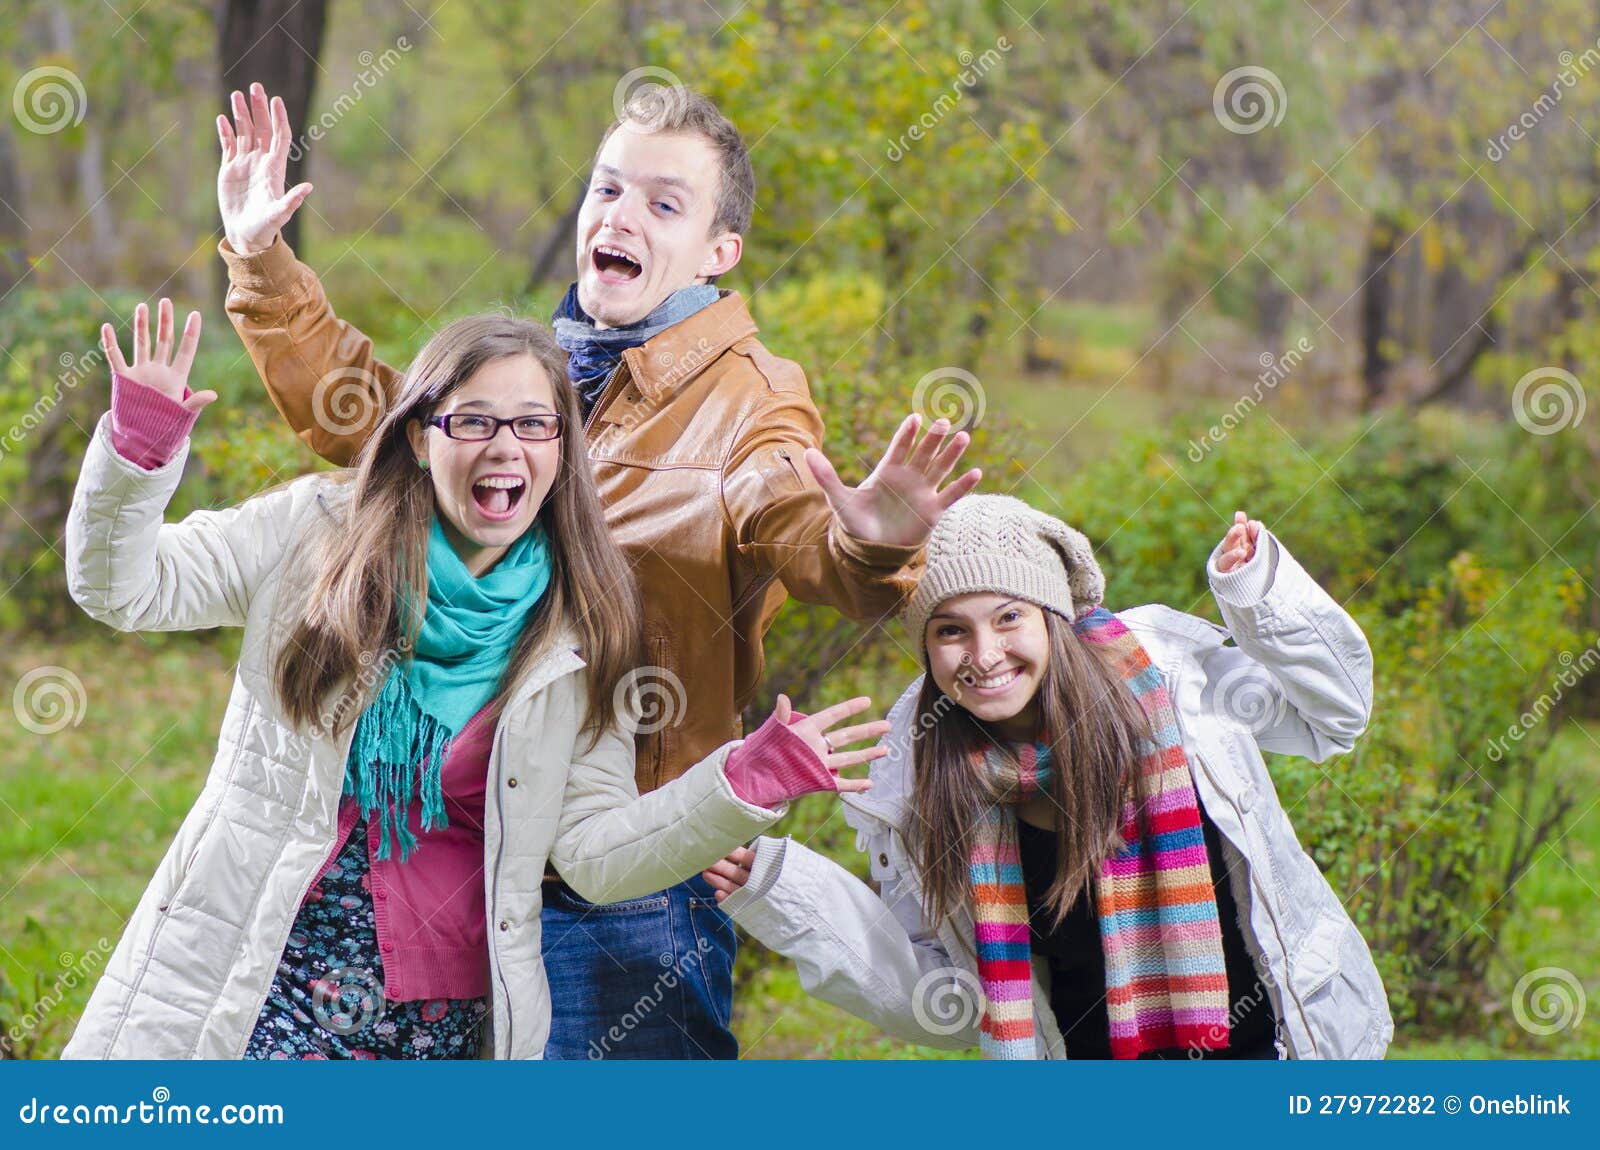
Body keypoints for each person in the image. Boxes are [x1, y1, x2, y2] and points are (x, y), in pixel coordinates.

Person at [210, 79, 979, 1059]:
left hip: (622, 880)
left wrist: (869, 538)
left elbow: (788, 513)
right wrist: (261, 259)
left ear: (718, 252)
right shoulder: (537, 369)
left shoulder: (753, 401)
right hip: (464, 844)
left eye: (665, 203)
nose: (620, 216)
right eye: (607, 190)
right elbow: (370, 415)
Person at [60, 298, 889, 1060]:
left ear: (562, 452)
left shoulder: (585, 626)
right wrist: (138, 452)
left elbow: (592, 854)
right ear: (422, 437)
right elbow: (128, 588)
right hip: (266, 979)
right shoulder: (315, 534)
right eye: (475, 421)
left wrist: (739, 782)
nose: (506, 448)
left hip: (448, 1025)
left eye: (534, 425)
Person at [705, 494, 1394, 1059]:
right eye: (950, 631)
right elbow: (941, 995)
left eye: (1008, 618)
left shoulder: (1167, 679)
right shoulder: (917, 771)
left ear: (1052, 619)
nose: (984, 655)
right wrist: (783, 891)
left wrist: (1260, 598)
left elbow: (1334, 716)